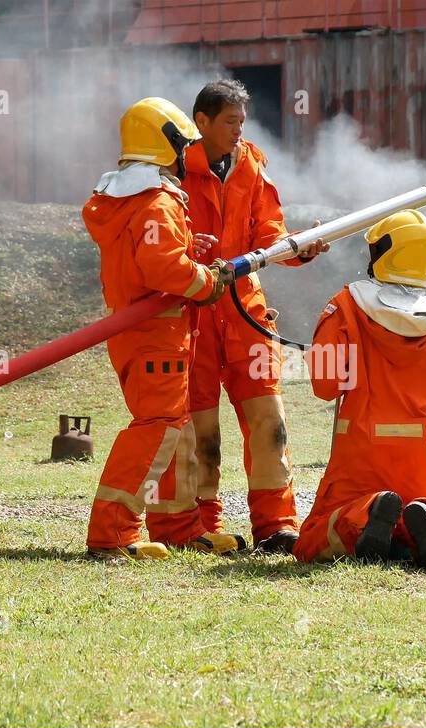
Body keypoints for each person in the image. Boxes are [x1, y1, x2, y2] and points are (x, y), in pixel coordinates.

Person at [81, 96, 245, 560]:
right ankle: (113, 534)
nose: (186, 154)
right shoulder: (155, 199)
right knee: (155, 428)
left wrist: (190, 245)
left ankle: (177, 526)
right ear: (167, 144)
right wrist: (207, 279)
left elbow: (150, 254)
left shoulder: (132, 197)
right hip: (156, 334)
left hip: (154, 332)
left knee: (174, 429)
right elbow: (160, 267)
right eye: (183, 145)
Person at [180, 79, 328, 555]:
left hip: (247, 313)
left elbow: (269, 231)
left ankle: (277, 525)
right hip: (194, 312)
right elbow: (163, 238)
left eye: (242, 123)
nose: (238, 132)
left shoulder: (251, 166)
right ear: (201, 122)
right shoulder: (176, 168)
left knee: (269, 419)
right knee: (200, 427)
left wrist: (299, 248)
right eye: (229, 123)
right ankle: (204, 526)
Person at [294, 210, 426, 569]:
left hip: (359, 452)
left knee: (313, 540)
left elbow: (326, 386)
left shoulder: (345, 306)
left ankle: (368, 513)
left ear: (383, 255)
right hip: (421, 455)